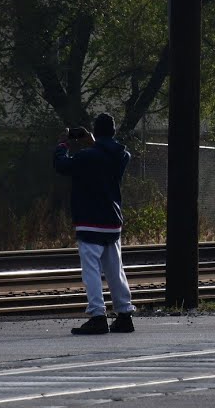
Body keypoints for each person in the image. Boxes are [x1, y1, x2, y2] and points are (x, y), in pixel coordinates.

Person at [53, 112, 136, 335]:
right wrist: (95, 143)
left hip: (89, 220)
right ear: (114, 132)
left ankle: (98, 315)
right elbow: (111, 152)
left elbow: (61, 165)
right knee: (115, 270)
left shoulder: (87, 156)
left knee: (91, 269)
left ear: (95, 133)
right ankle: (124, 315)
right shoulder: (122, 156)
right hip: (112, 220)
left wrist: (63, 143)